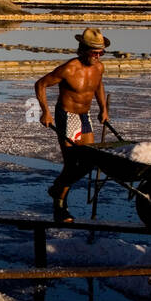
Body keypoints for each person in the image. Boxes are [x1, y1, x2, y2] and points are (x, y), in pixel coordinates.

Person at [34, 28, 111, 222]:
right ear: (83, 49)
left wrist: (103, 109)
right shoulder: (69, 69)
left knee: (90, 160)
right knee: (71, 164)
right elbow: (40, 84)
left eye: (101, 53)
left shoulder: (99, 68)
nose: (98, 56)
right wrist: (45, 112)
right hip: (67, 116)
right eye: (95, 52)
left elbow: (99, 86)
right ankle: (60, 207)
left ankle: (56, 189)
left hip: (85, 116)